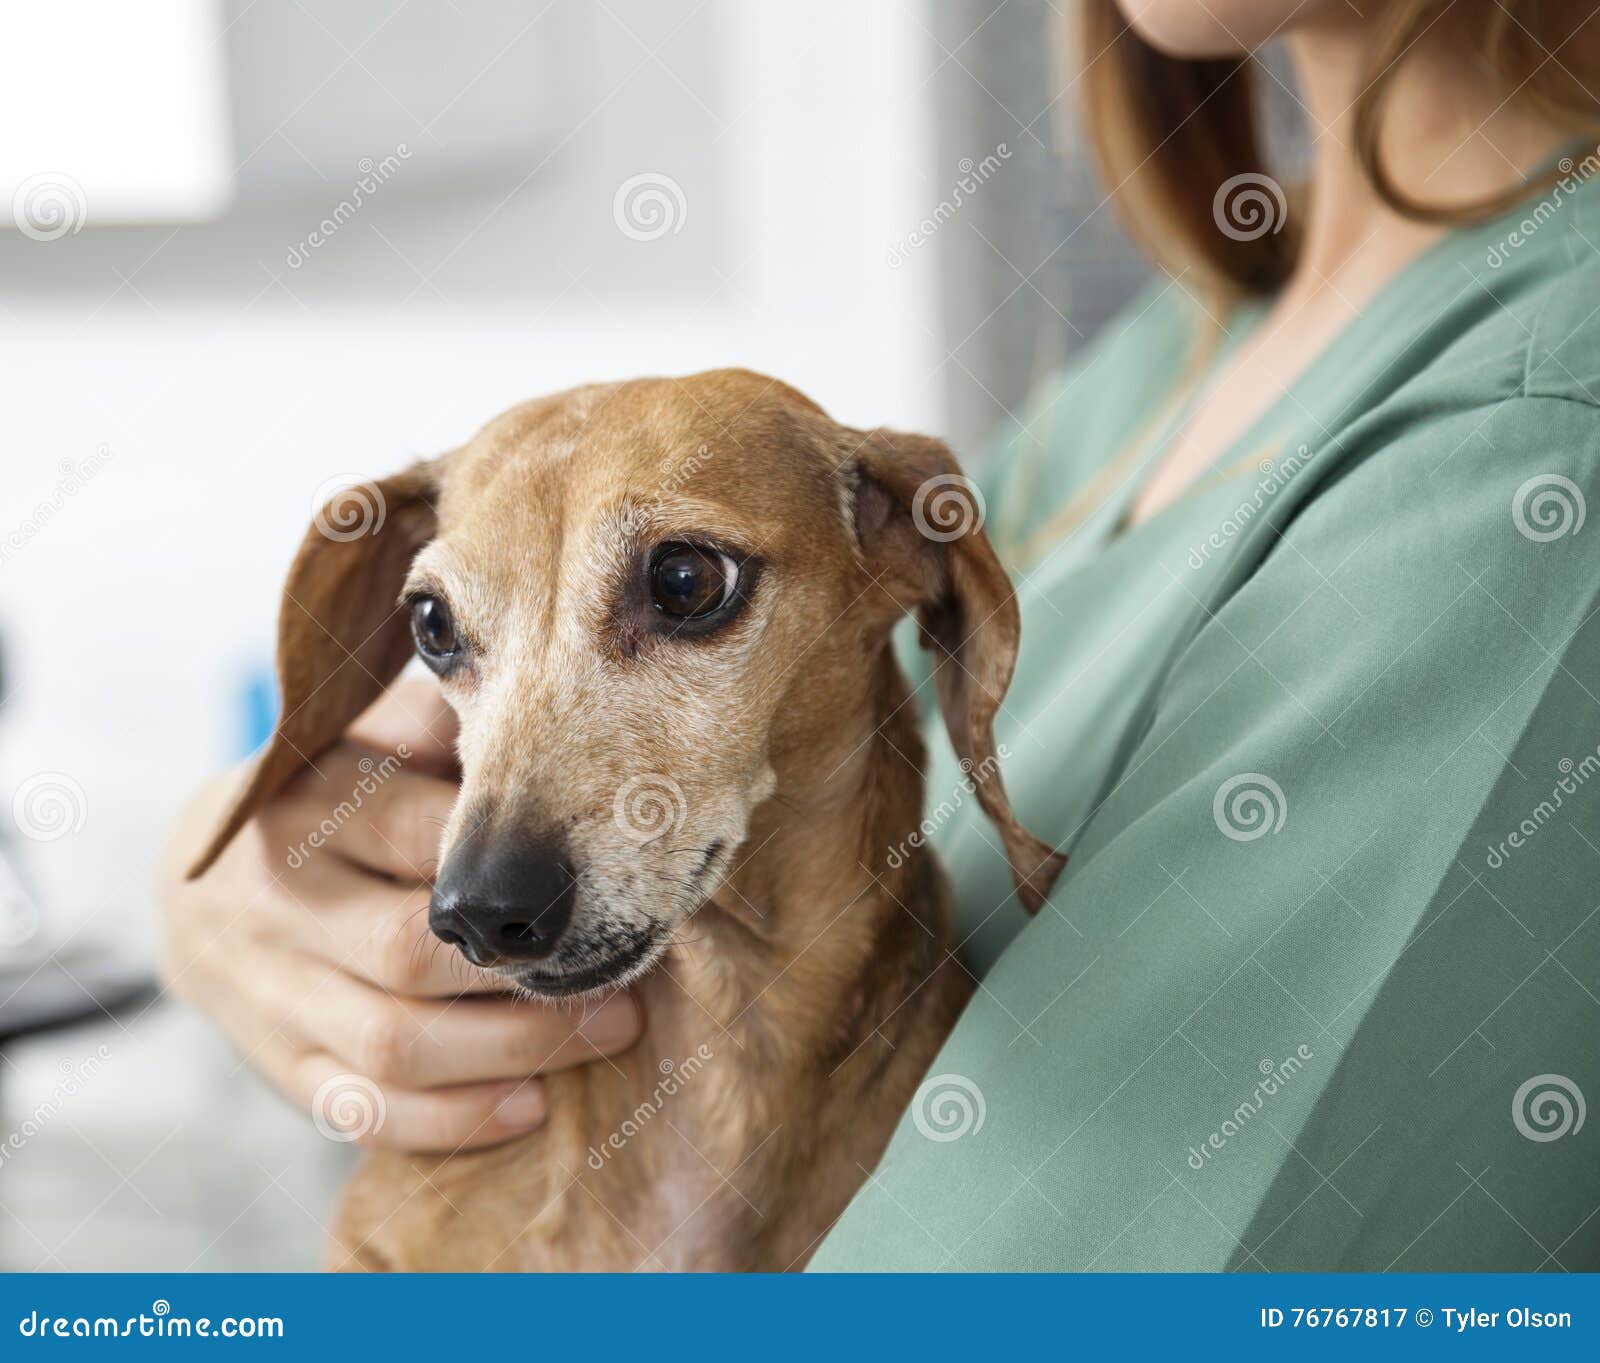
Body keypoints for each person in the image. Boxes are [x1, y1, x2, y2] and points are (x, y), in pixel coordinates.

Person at [161, 0, 1600, 1269]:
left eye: (680, 591)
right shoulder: (1178, 354)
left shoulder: (1543, 436)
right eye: (440, 628)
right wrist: (218, 892)